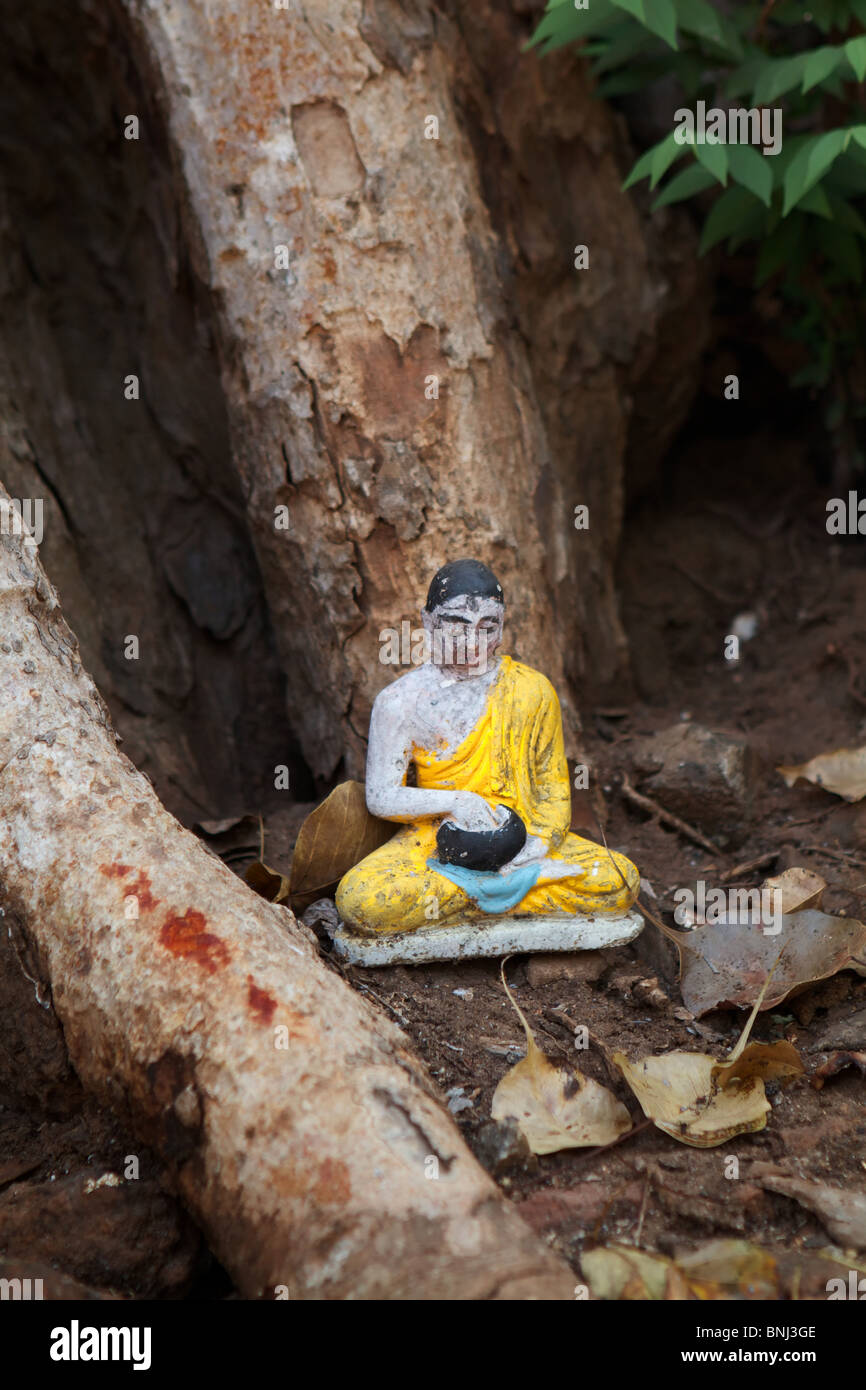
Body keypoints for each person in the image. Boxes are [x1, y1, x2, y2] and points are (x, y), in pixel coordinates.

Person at [336, 558, 639, 935]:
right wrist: (457, 802)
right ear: (428, 622)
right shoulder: (400, 702)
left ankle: (480, 896)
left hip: (521, 840)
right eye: (457, 625)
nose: (471, 642)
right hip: (435, 840)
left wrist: (538, 844)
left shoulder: (531, 691)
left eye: (487, 627)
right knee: (363, 899)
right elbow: (382, 797)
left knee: (617, 879)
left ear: (501, 628)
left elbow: (553, 789)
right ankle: (514, 891)